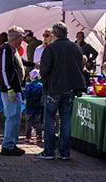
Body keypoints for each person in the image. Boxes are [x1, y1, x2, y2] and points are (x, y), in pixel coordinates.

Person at [37, 22, 86, 161]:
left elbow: (44, 70)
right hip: (69, 88)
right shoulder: (76, 48)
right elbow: (80, 67)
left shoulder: (51, 48)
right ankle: (64, 152)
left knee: (49, 120)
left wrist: (45, 81)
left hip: (53, 88)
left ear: (55, 34)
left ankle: (49, 151)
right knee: (66, 120)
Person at [0, 26, 26, 156]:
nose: (22, 40)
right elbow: (3, 70)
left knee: (15, 115)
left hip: (14, 87)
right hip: (10, 89)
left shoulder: (12, 49)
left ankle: (12, 143)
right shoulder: (5, 50)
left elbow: (19, 62)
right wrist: (9, 88)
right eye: (21, 38)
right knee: (12, 116)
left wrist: (31, 64)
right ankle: (8, 145)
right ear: (17, 38)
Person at [23, 69, 44, 143]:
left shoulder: (28, 85)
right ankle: (39, 136)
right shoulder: (41, 86)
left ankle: (27, 137)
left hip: (29, 107)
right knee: (38, 122)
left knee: (28, 122)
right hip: (38, 107)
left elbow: (26, 95)